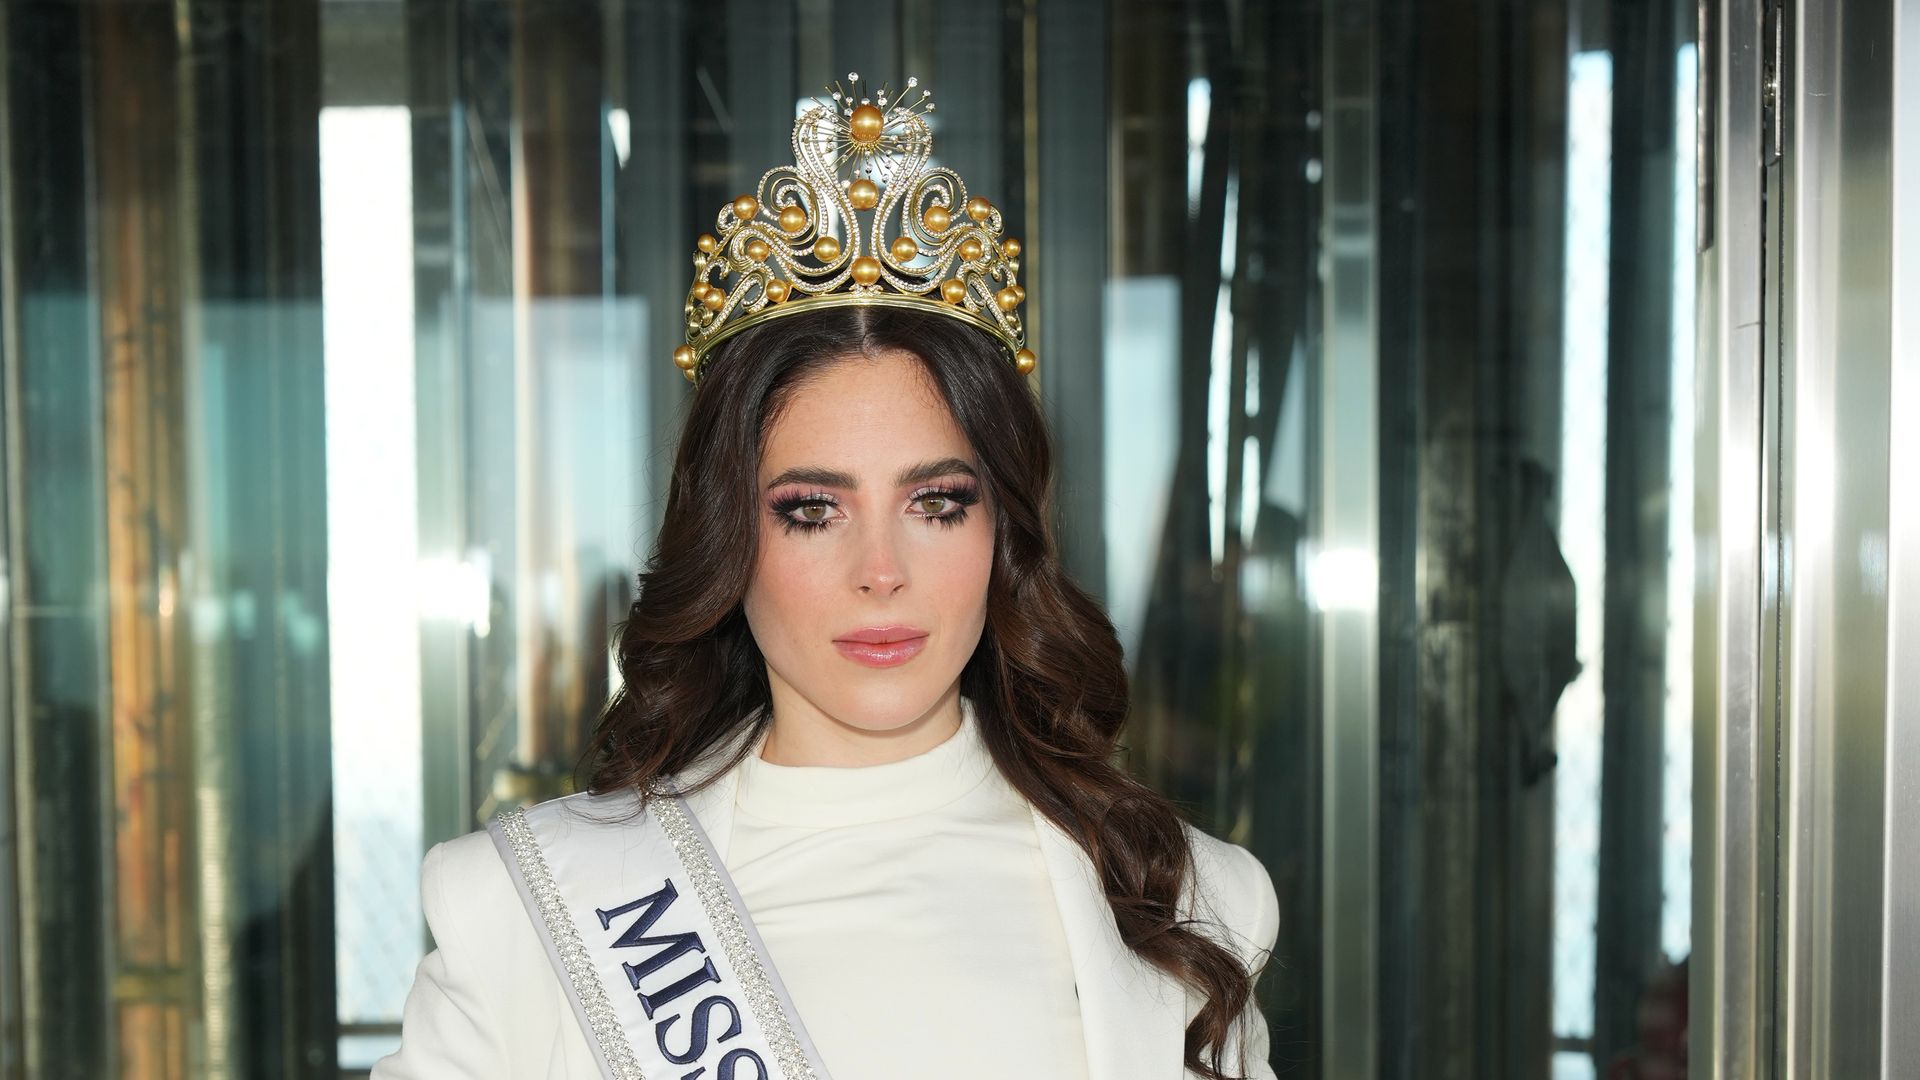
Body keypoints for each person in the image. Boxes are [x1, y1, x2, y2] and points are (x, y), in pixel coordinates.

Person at [372, 76, 1279, 1080]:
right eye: (813, 511)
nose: (880, 571)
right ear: (729, 541)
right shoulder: (527, 914)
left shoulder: (1184, 902)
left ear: (1002, 532)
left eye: (936, 504)